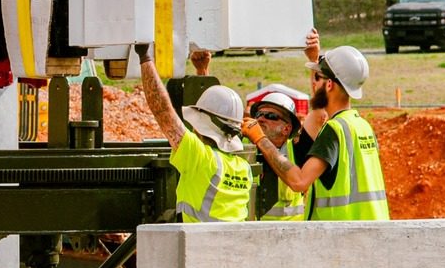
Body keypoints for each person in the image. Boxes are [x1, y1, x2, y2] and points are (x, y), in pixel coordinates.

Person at [242, 29, 389, 220]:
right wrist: (314, 59)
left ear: (329, 85)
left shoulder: (335, 129)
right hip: (373, 231)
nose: (314, 84)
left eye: (318, 78)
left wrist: (260, 138)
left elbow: (300, 181)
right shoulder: (362, 126)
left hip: (344, 236)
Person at [134, 42, 252, 222]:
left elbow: (163, 111)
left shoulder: (199, 157)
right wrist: (202, 71)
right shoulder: (243, 168)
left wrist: (145, 57)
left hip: (200, 247)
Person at [245, 90, 309, 220]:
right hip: (249, 235)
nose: (261, 119)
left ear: (287, 129)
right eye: (259, 114)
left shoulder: (298, 151)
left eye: (271, 116)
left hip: (288, 235)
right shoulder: (243, 149)